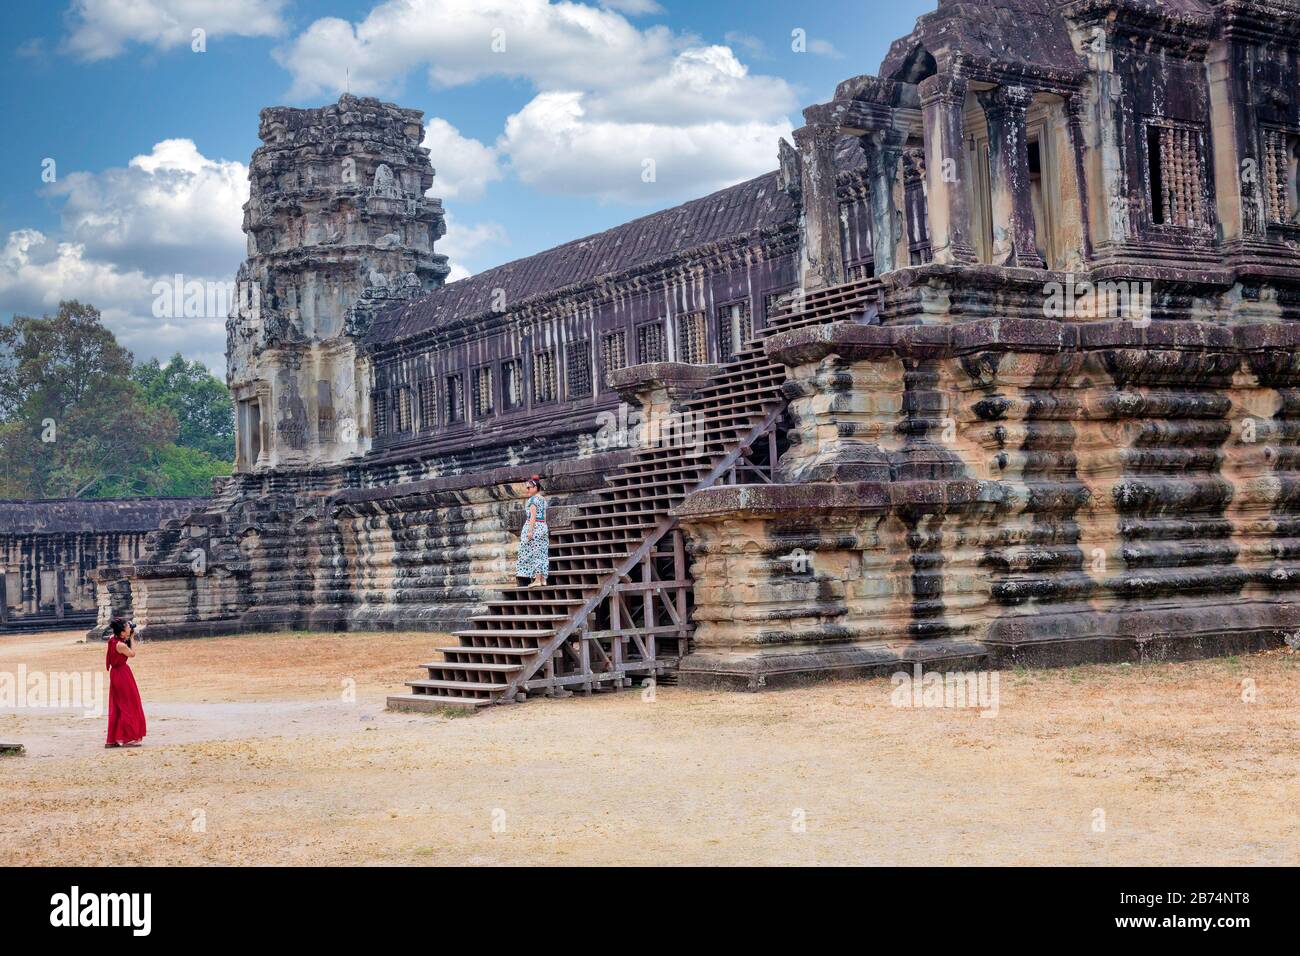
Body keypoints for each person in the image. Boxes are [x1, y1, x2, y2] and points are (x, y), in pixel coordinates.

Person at [105, 617, 147, 748]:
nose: (130, 628)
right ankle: (128, 736)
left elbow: (118, 638)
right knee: (129, 704)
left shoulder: (112, 639)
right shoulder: (121, 645)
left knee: (119, 705)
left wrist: (127, 635)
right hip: (123, 675)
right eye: (127, 627)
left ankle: (116, 737)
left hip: (116, 674)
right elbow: (132, 654)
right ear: (122, 632)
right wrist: (132, 638)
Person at [515, 475, 549, 588]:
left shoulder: (533, 500)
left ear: (535, 488)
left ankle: (537, 579)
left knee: (535, 553)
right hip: (543, 526)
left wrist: (530, 531)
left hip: (535, 527)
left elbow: (533, 516)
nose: (528, 490)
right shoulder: (543, 500)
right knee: (542, 552)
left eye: (529, 488)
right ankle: (543, 579)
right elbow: (543, 517)